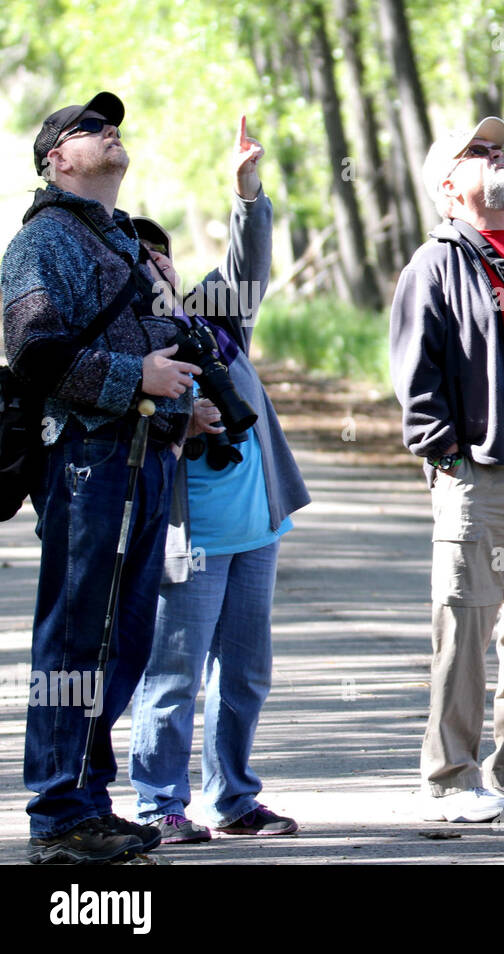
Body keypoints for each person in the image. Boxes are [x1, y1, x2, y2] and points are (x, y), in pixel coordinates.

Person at [4, 91, 200, 863]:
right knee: (75, 635)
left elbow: (167, 336)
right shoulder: (42, 240)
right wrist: (136, 377)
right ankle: (56, 814)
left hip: (143, 454)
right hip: (88, 459)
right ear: (56, 159)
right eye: (87, 128)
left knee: (124, 639)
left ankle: (89, 798)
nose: (106, 131)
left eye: (111, 123)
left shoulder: (121, 242)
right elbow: (35, 353)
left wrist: (180, 396)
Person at [127, 118, 310, 842]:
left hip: (256, 527)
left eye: (162, 258)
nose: (159, 270)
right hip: (188, 533)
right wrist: (180, 416)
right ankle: (158, 803)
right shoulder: (133, 349)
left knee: (246, 673)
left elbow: (249, 261)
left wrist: (247, 191)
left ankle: (233, 797)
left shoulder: (213, 320)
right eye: (142, 265)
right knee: (173, 675)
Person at [390, 116, 504, 823]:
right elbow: (414, 375)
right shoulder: (434, 264)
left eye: (498, 149)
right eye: (476, 153)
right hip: (480, 474)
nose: (495, 158)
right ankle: (449, 778)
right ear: (449, 186)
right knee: (465, 630)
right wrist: (448, 456)